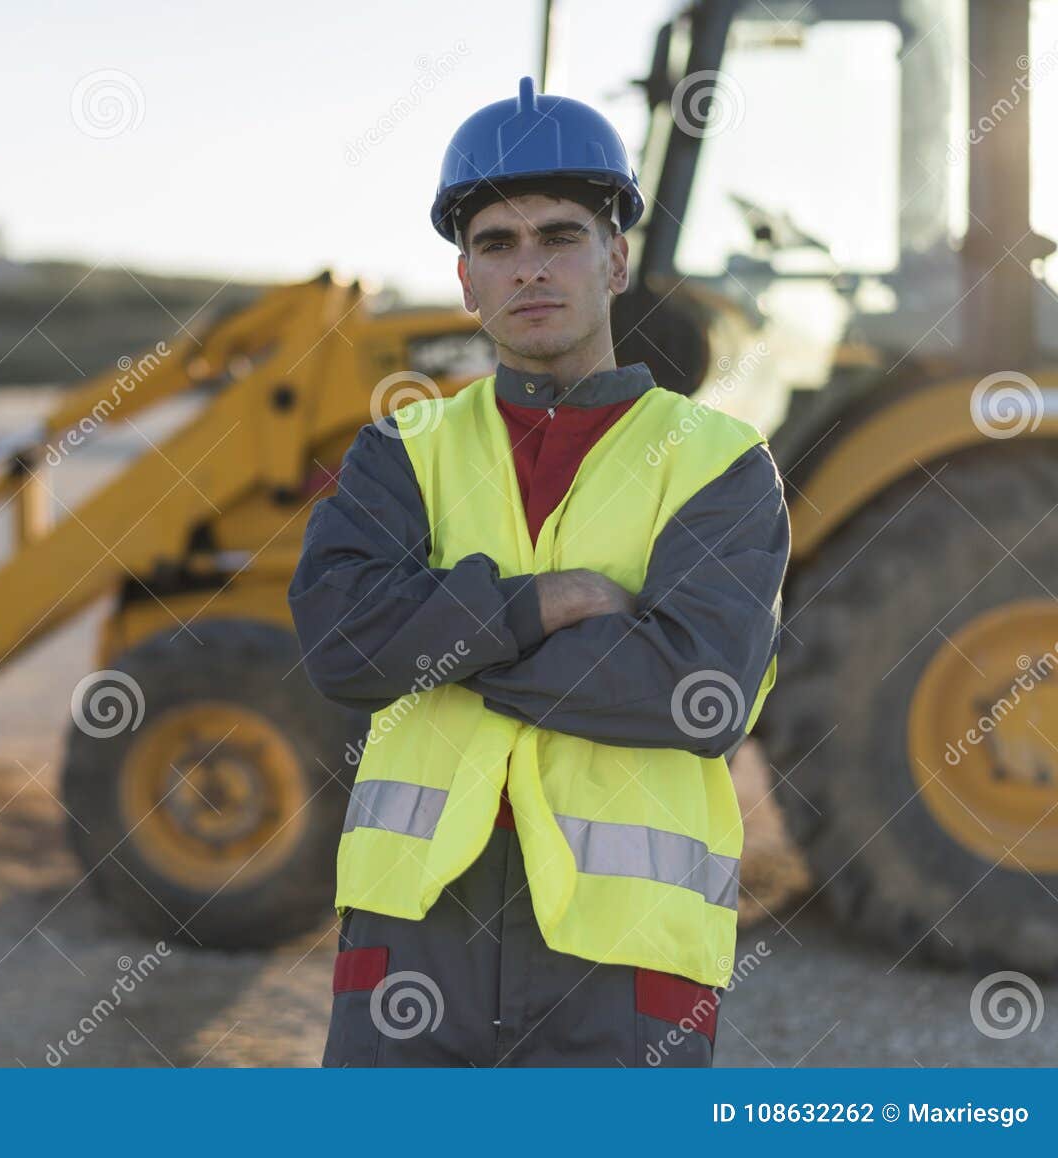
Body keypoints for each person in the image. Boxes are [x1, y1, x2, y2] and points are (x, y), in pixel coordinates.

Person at [287, 77, 791, 1066]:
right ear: (466, 281)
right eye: (496, 245)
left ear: (615, 260)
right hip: (411, 941)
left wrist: (442, 641)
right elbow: (341, 648)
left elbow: (694, 694)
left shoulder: (718, 462)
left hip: (627, 961)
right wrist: (544, 606)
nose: (529, 269)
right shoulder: (402, 450)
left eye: (559, 236)